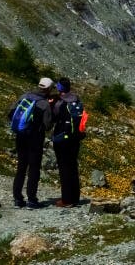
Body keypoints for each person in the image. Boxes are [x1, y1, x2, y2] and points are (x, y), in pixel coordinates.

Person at [9, 77, 54, 209]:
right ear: (49, 89)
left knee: (21, 167)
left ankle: (17, 198)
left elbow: (11, 113)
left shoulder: (25, 96)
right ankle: (32, 200)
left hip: (20, 136)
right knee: (34, 168)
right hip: (35, 139)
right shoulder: (44, 104)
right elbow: (48, 125)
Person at [52, 77, 83, 207]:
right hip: (75, 139)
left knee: (64, 168)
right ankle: (75, 197)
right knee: (73, 166)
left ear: (60, 88)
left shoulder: (60, 102)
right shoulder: (77, 100)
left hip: (62, 138)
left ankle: (66, 199)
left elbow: (54, 117)